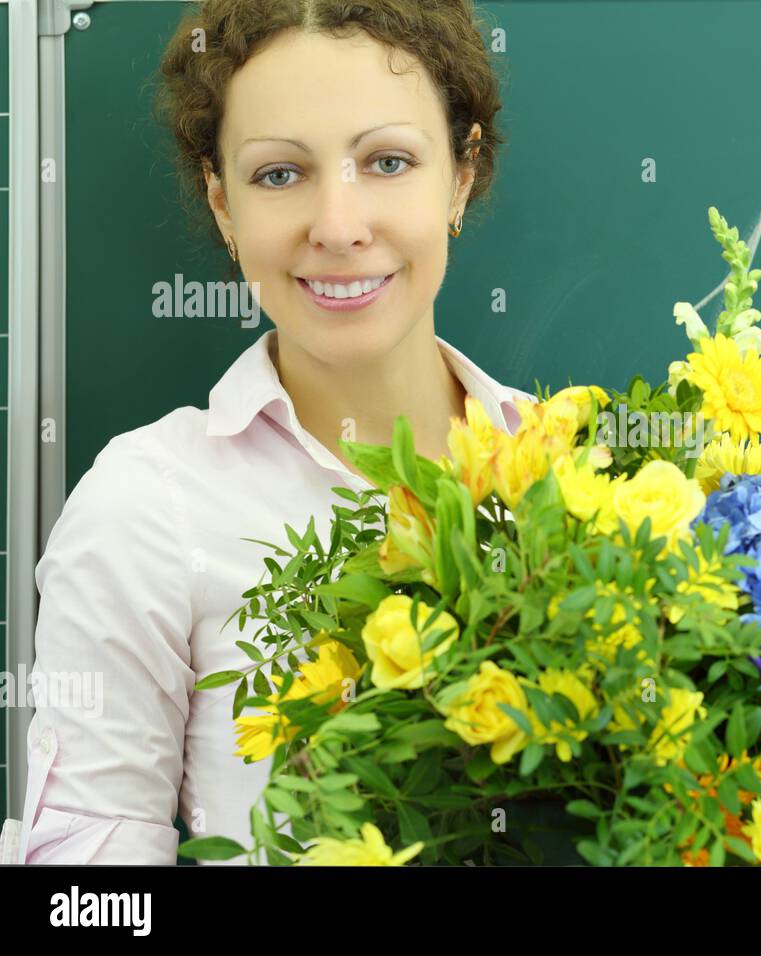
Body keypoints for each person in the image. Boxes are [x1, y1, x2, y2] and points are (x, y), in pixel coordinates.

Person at [1, 0, 531, 864]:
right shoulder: (144, 510)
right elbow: (86, 897)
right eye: (279, 175)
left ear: (462, 177)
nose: (338, 225)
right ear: (221, 202)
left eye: (387, 161)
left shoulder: (592, 479)